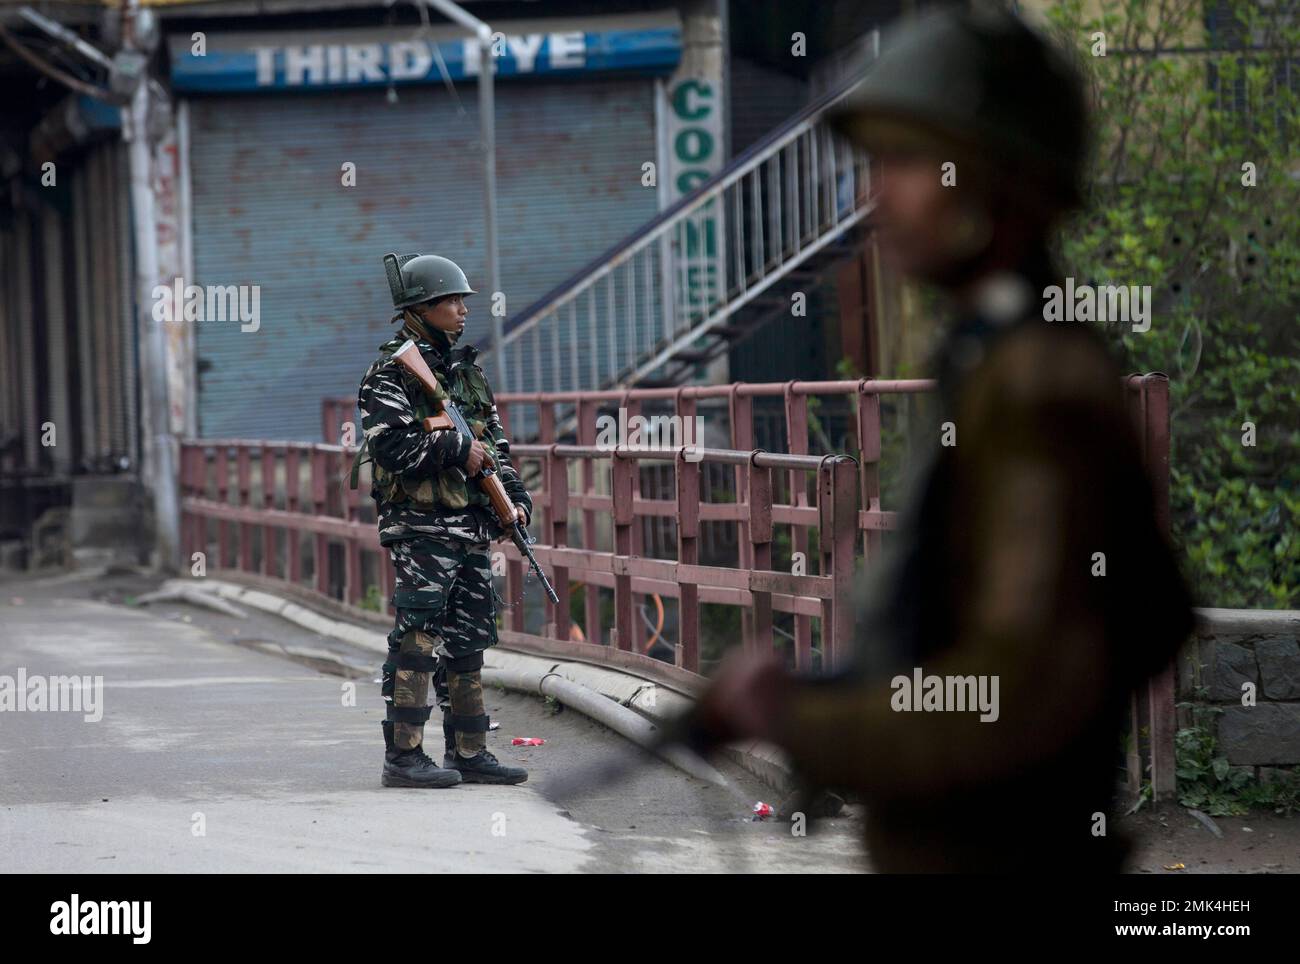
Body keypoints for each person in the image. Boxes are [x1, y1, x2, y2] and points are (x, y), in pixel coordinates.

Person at [693, 7, 1194, 871]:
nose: (875, 196)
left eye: (908, 162)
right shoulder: (994, 355)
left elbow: (1010, 695)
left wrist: (790, 715)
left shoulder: (1038, 384)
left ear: (997, 181)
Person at [355, 253, 533, 788]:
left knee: (469, 637)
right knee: (418, 637)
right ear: (420, 308)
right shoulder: (390, 372)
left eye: (462, 301)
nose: (462, 310)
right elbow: (388, 447)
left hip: (470, 528)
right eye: (451, 301)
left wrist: (515, 500)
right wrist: (457, 448)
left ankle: (469, 751)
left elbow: (495, 445)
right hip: (421, 527)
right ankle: (404, 757)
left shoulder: (467, 372)